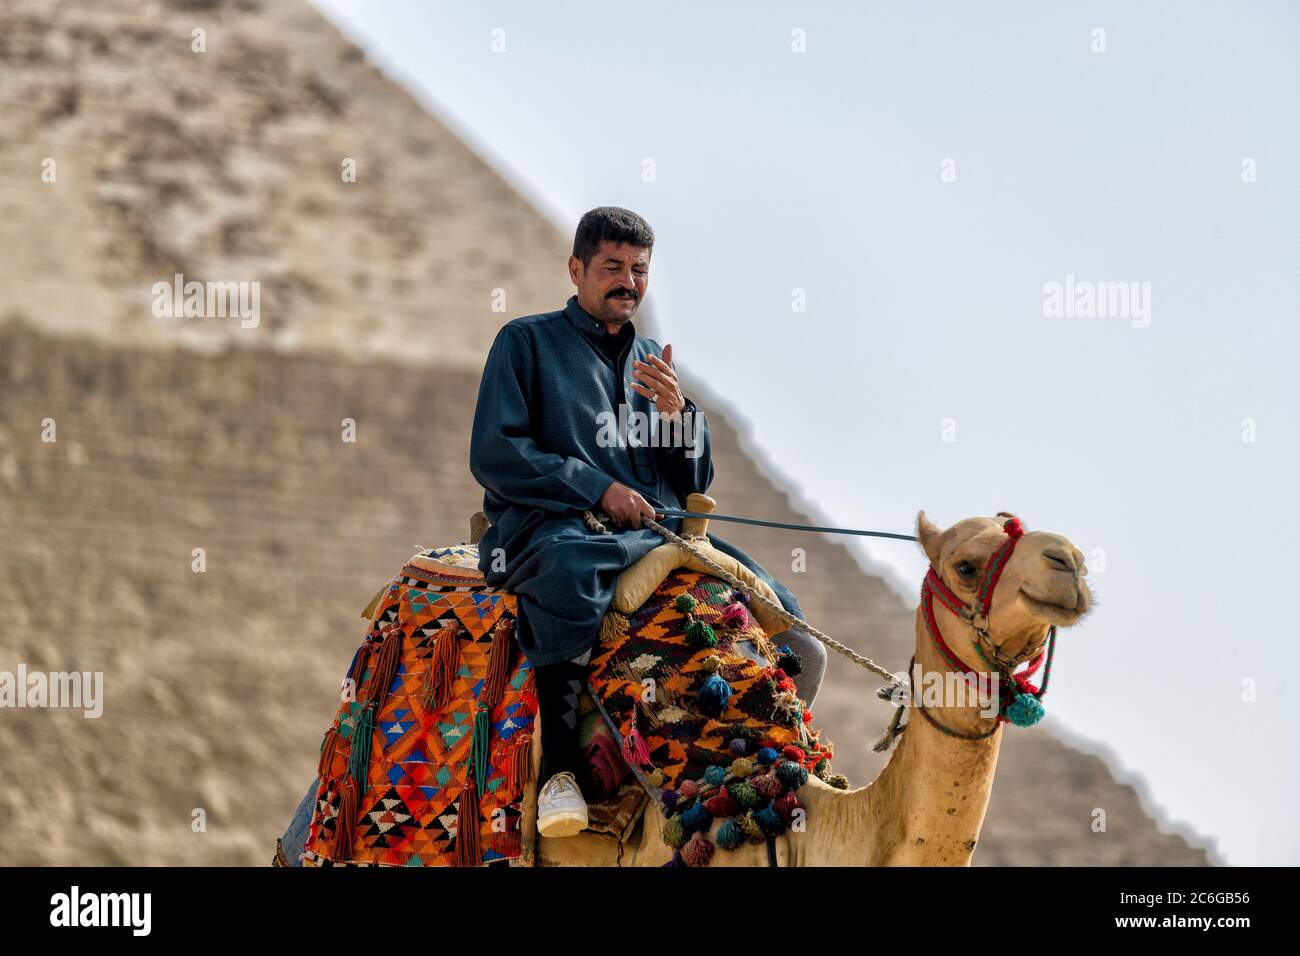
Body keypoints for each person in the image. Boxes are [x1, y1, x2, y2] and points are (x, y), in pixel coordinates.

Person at [468, 206, 824, 838]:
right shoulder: (525, 343)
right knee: (566, 571)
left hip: (653, 534)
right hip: (557, 525)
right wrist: (596, 487)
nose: (627, 281)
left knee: (784, 617)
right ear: (576, 269)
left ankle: (750, 760)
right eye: (612, 267)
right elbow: (497, 451)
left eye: (639, 270)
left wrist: (678, 414)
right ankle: (561, 771)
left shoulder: (652, 365)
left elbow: (695, 482)